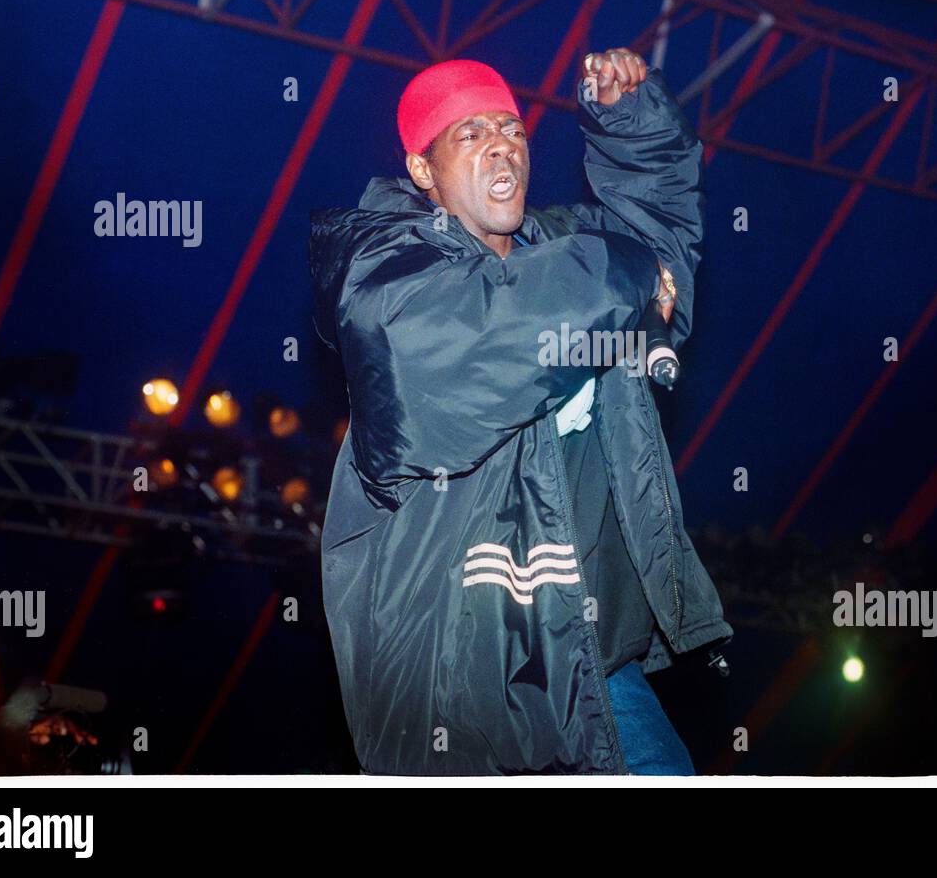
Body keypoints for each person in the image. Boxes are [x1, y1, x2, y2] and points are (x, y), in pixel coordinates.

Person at [308, 49, 732, 775]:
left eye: (511, 128)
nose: (501, 143)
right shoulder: (380, 275)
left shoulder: (566, 253)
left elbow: (659, 261)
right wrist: (627, 274)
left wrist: (632, 125)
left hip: (594, 669)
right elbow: (479, 344)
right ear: (422, 171)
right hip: (459, 684)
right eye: (469, 134)